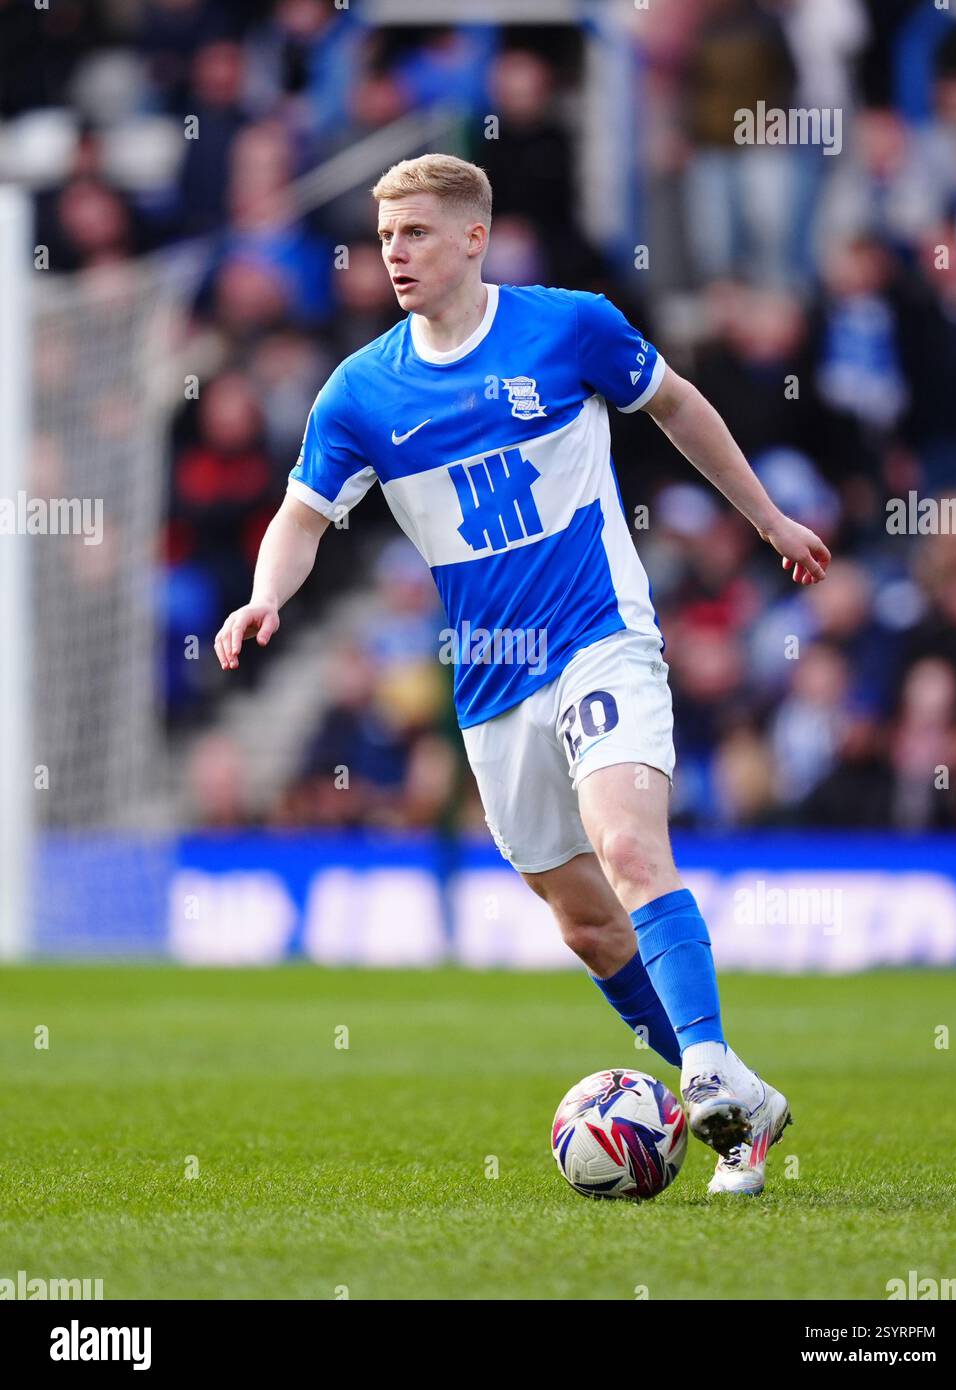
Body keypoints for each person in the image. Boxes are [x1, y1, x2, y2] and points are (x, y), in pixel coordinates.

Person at [214, 154, 831, 1195]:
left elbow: (674, 404)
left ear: (472, 237)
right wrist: (266, 594)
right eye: (383, 237)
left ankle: (708, 1067)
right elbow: (303, 514)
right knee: (586, 922)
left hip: (598, 632)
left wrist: (765, 518)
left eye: (414, 233)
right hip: (492, 681)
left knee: (629, 843)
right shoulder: (361, 391)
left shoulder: (568, 325)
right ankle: (745, 1108)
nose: (393, 255)